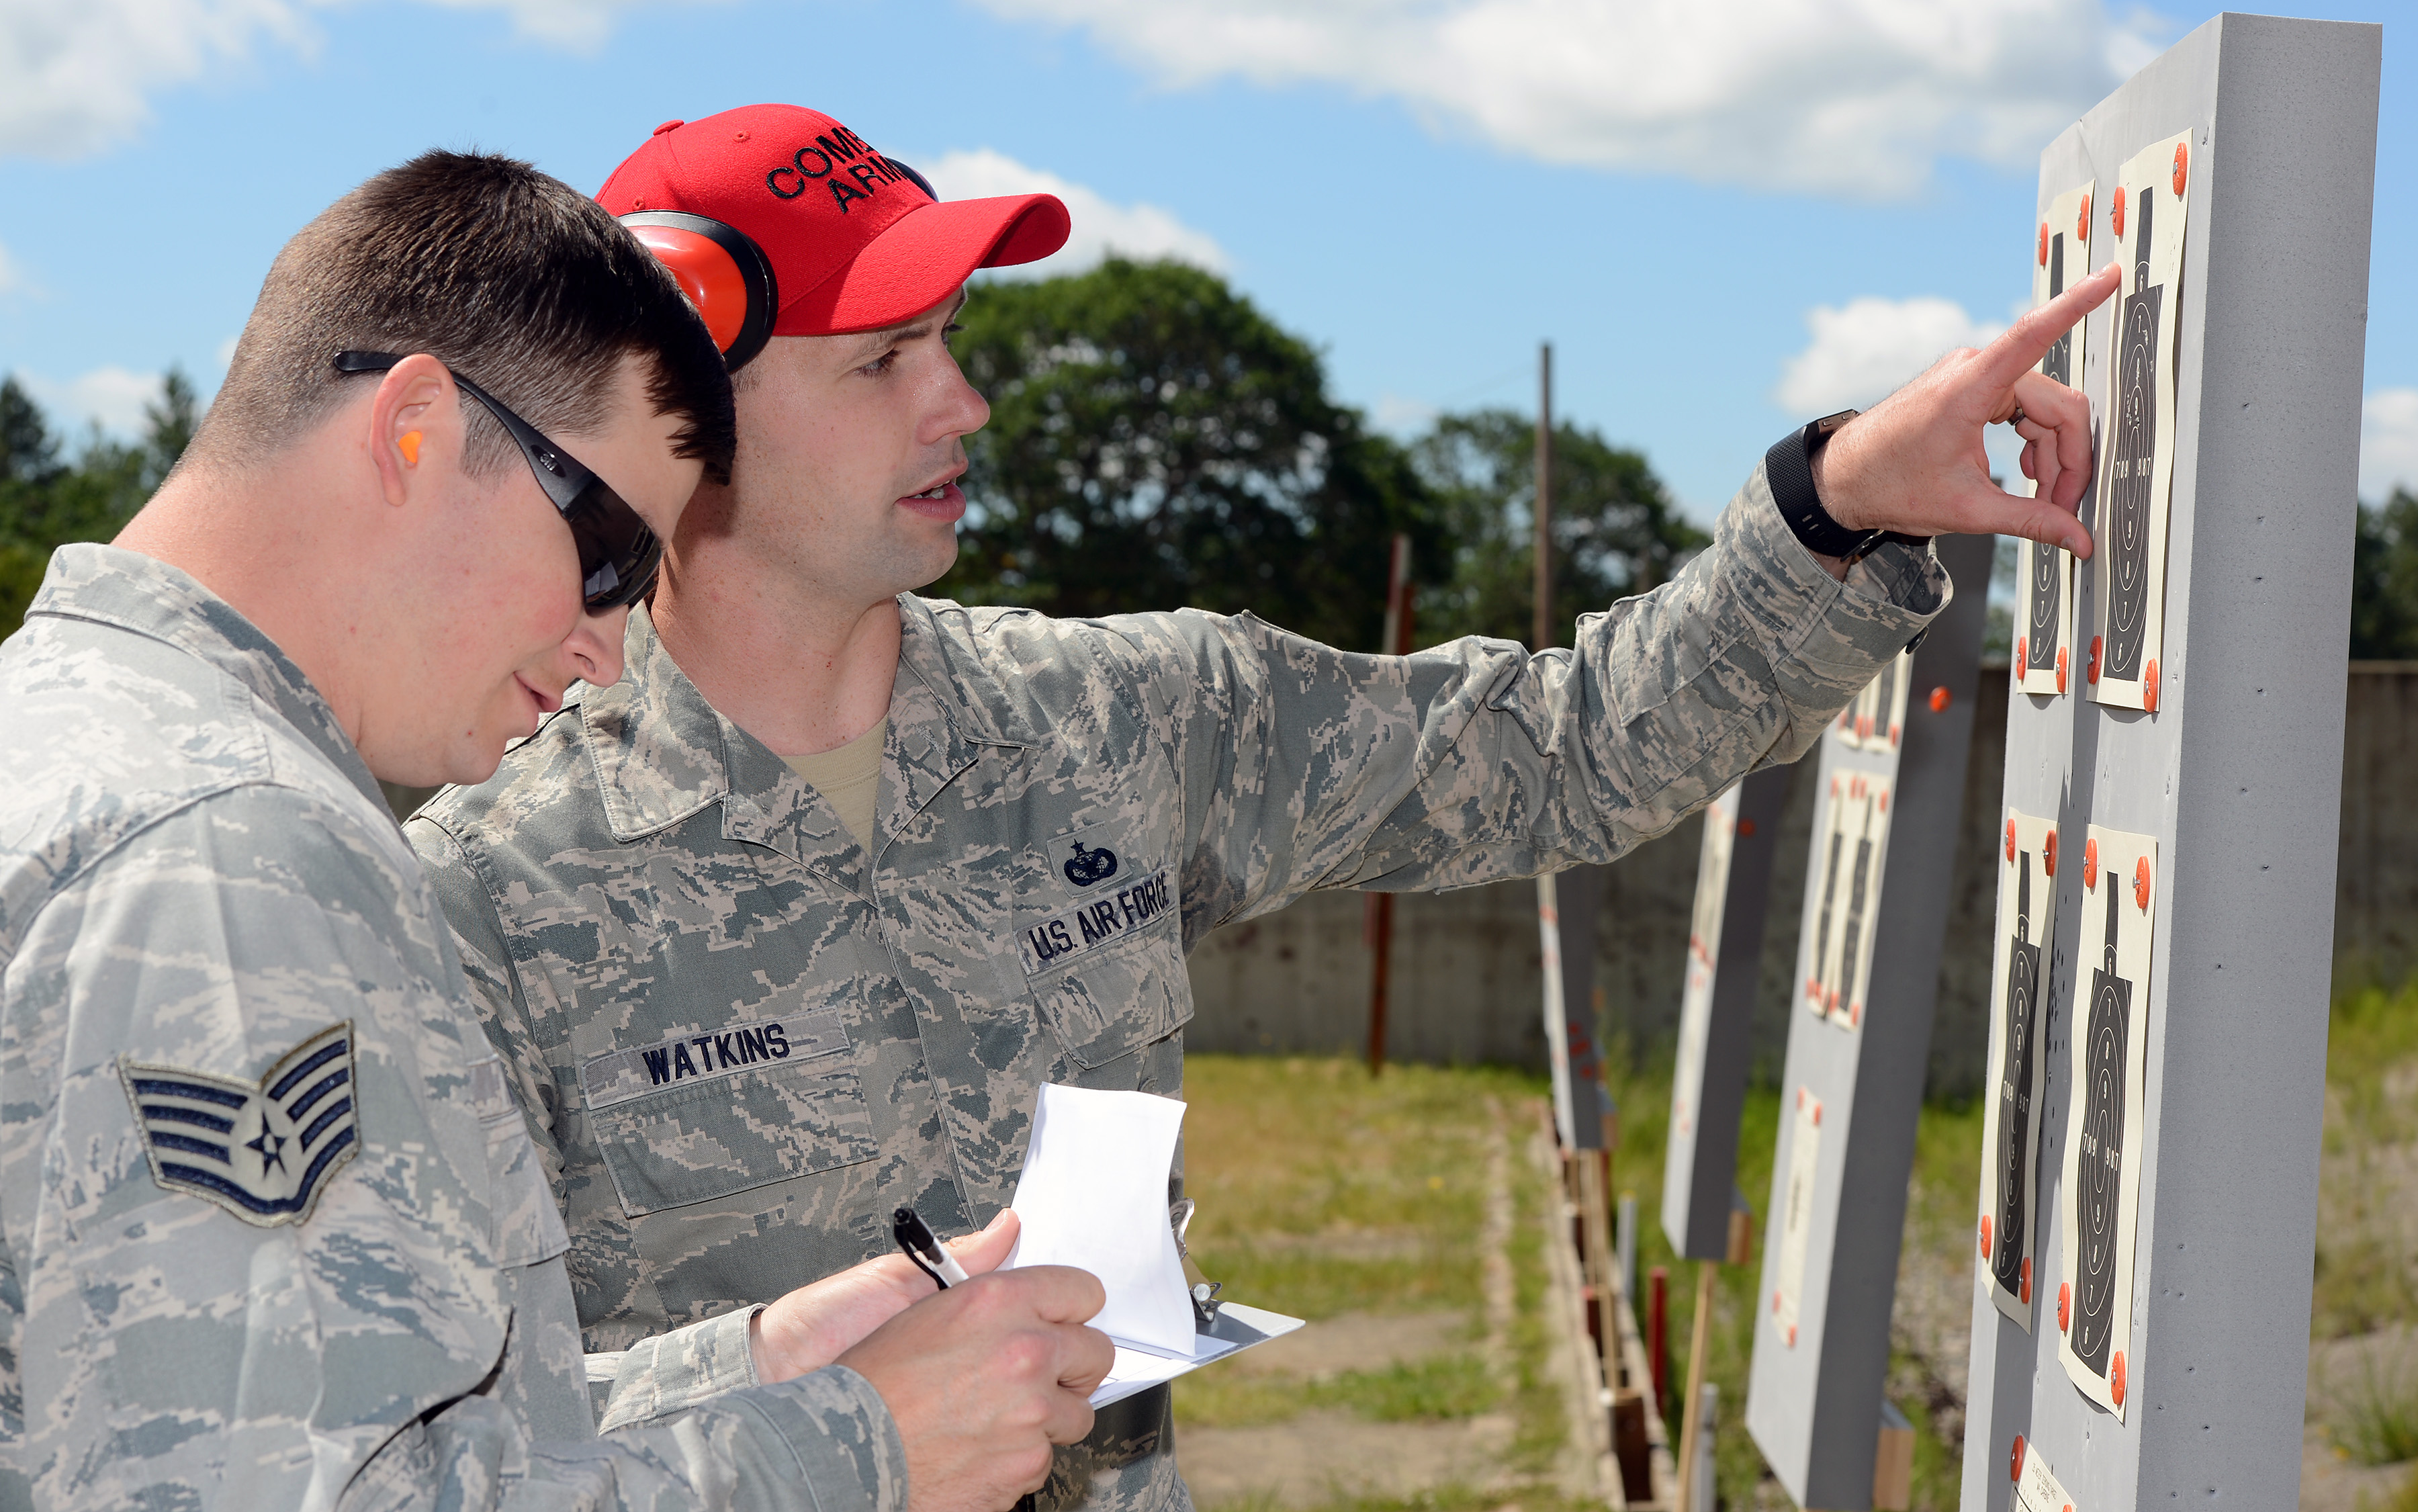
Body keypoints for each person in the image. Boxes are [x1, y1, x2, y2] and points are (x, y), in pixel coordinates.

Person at [405, 104, 2118, 1512]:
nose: (968, 402)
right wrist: (808, 1393)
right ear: (675, 415)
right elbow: (423, 1448)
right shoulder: (477, 895)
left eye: (955, 343)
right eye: (884, 363)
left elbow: (1574, 746)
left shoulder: (1123, 720)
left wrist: (1833, 506)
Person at [0, 149, 1112, 1511]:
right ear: (413, 428)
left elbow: (345, 1432)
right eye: (606, 554)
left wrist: (759, 1374)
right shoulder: (227, 858)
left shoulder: (72, 742)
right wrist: (861, 1450)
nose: (604, 648)